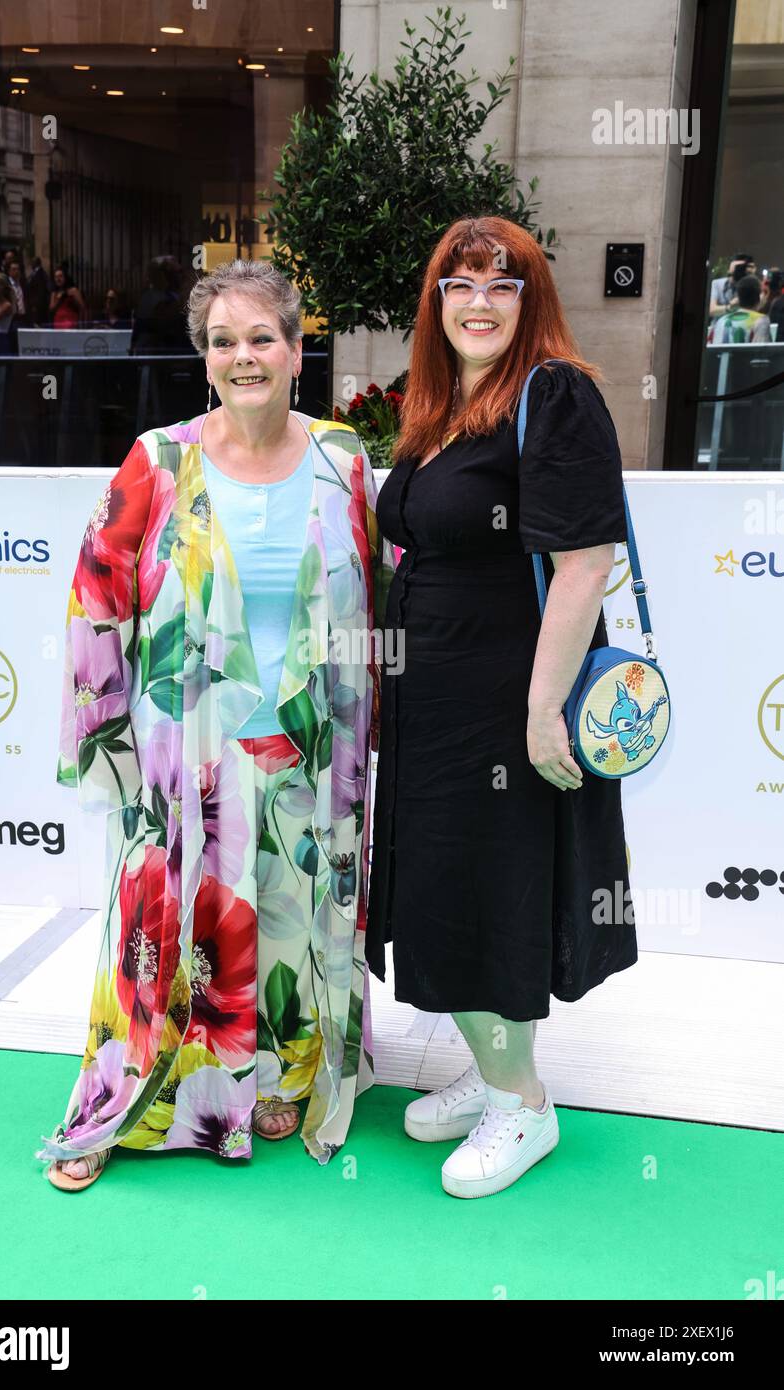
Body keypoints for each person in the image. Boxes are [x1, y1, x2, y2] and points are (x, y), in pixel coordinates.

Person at [36, 258, 394, 1190]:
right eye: (224, 341)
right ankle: (120, 1105)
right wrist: (107, 745)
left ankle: (287, 1071)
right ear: (204, 359)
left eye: (262, 338)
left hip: (312, 742)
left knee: (290, 912)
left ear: (297, 348)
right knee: (164, 923)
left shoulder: (342, 457)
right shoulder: (160, 459)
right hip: (184, 750)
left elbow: (381, 594)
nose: (245, 357)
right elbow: (94, 597)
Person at [366, 214, 639, 1200]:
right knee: (448, 888)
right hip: (435, 699)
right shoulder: (444, 409)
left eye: (501, 283)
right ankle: (491, 1076)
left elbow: (582, 564)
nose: (478, 302)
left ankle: (519, 1102)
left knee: (483, 892)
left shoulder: (552, 393)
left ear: (531, 302)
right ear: (433, 303)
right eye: (458, 283)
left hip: (501, 703)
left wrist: (538, 711)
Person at [707, 273, 771, 344]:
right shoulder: (761, 320)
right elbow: (762, 352)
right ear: (759, 296)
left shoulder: (721, 321)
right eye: (764, 292)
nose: (766, 296)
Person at [709, 253, 755, 319]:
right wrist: (729, 307)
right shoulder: (717, 284)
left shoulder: (750, 286)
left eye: (740, 269)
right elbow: (711, 310)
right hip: (719, 326)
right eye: (737, 269)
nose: (737, 273)